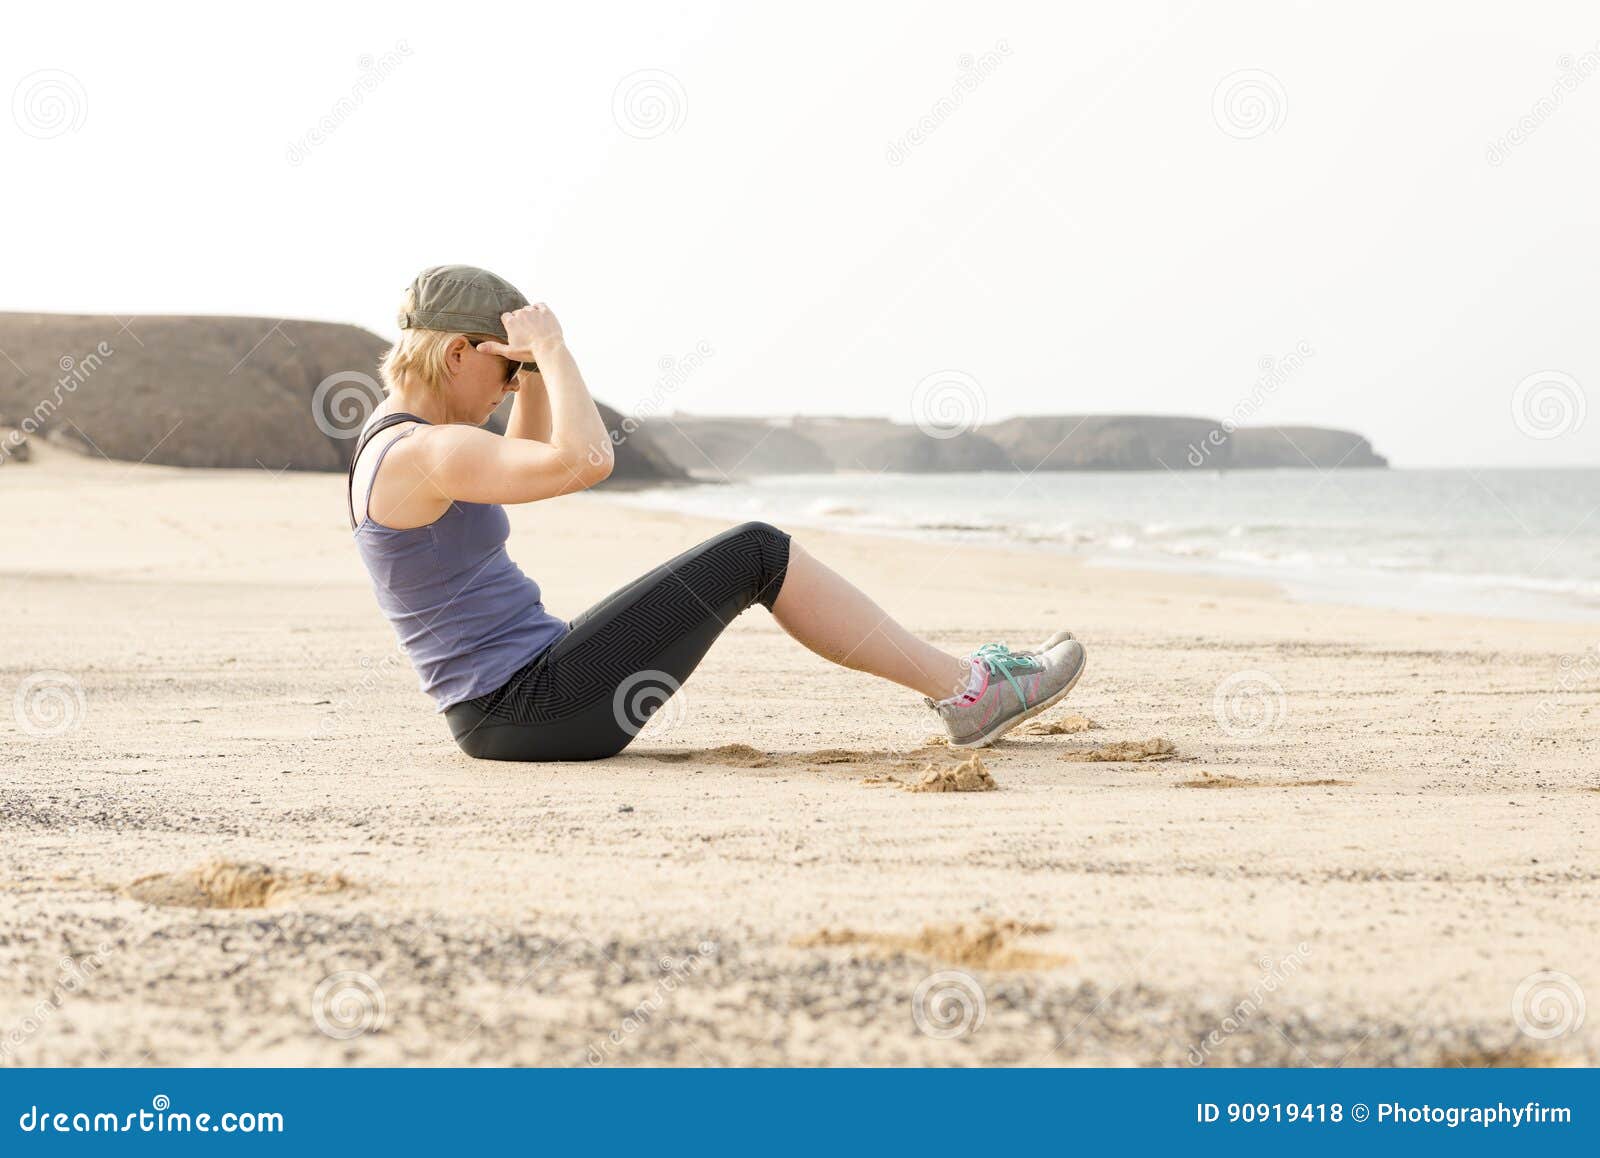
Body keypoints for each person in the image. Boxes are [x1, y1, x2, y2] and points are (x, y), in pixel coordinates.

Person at [347, 265, 1087, 761]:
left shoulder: (397, 445)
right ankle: (968, 692)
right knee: (756, 551)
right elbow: (585, 460)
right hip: (528, 706)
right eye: (504, 369)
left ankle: (963, 686)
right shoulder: (424, 453)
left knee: (752, 555)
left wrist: (534, 365)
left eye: (519, 374)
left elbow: (532, 455)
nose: (510, 388)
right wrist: (556, 349)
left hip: (519, 703)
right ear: (454, 355)